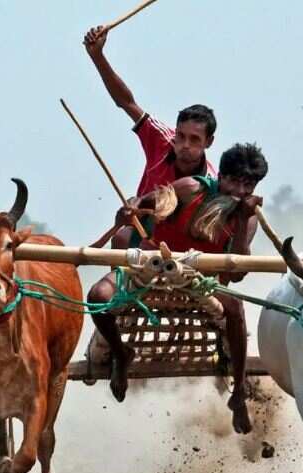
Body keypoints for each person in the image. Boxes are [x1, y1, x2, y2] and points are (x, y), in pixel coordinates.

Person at [87, 143, 268, 434]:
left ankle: (238, 395)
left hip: (201, 281)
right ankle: (122, 354)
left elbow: (238, 275)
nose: (239, 191)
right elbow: (142, 202)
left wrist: (245, 217)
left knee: (235, 308)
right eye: (234, 181)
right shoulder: (190, 187)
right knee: (98, 298)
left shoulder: (247, 217)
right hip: (149, 266)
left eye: (248, 185)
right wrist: (131, 210)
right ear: (220, 176)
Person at [84, 25, 217, 247]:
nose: (184, 145)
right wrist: (97, 56)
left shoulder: (211, 181)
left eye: (195, 140)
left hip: (183, 243)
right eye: (181, 136)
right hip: (139, 229)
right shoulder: (162, 139)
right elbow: (125, 102)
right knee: (120, 238)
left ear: (209, 142)